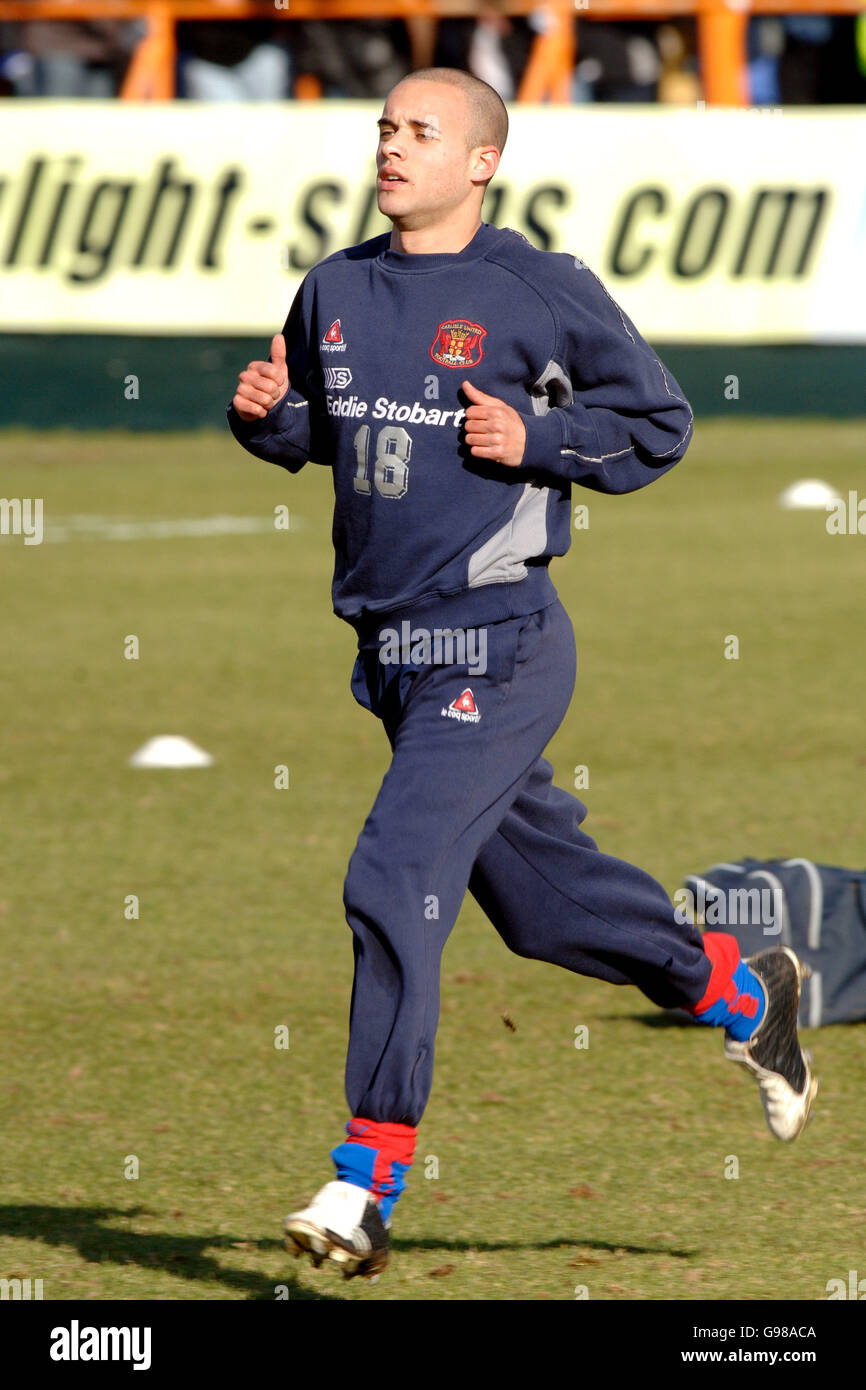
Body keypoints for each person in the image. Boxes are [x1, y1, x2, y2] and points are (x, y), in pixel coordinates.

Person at [226, 67, 817, 1283]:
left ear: (480, 161)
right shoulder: (333, 285)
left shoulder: (535, 289)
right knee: (543, 912)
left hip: (500, 647)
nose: (392, 147)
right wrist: (267, 419)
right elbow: (324, 432)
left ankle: (363, 1181)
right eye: (384, 126)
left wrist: (537, 440)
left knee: (391, 875)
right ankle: (742, 992)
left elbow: (658, 422)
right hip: (392, 661)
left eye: (420, 131)